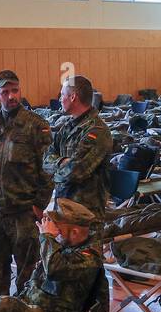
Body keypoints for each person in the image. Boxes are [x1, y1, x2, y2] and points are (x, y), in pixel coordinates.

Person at [0, 69, 52, 298]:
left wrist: (39, 205)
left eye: (15, 90)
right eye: (5, 92)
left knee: (28, 276)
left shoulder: (36, 125)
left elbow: (48, 170)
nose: (11, 96)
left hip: (23, 213)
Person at [44, 74, 113, 222]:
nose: (60, 99)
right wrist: (65, 162)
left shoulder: (97, 131)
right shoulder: (67, 127)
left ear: (73, 97)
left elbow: (75, 172)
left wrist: (57, 166)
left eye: (62, 94)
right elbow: (45, 159)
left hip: (86, 217)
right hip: (63, 210)